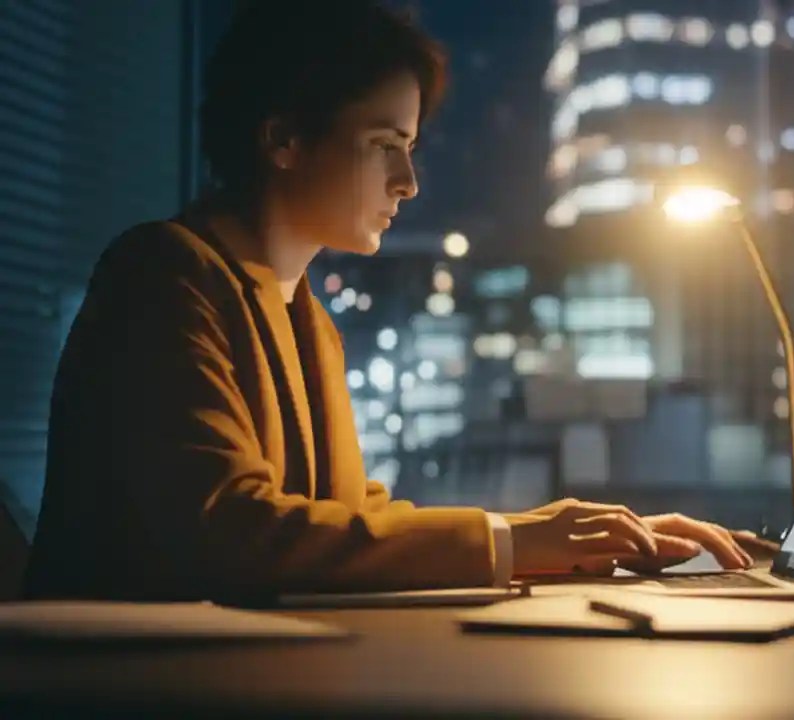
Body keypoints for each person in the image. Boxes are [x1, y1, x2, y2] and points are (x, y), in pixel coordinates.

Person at [24, 0, 757, 602]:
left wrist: (558, 537)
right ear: (283, 138)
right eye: (383, 144)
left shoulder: (303, 315)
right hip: (124, 688)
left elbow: (346, 521)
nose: (407, 180)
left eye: (409, 146)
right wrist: (515, 541)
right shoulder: (164, 273)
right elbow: (227, 530)